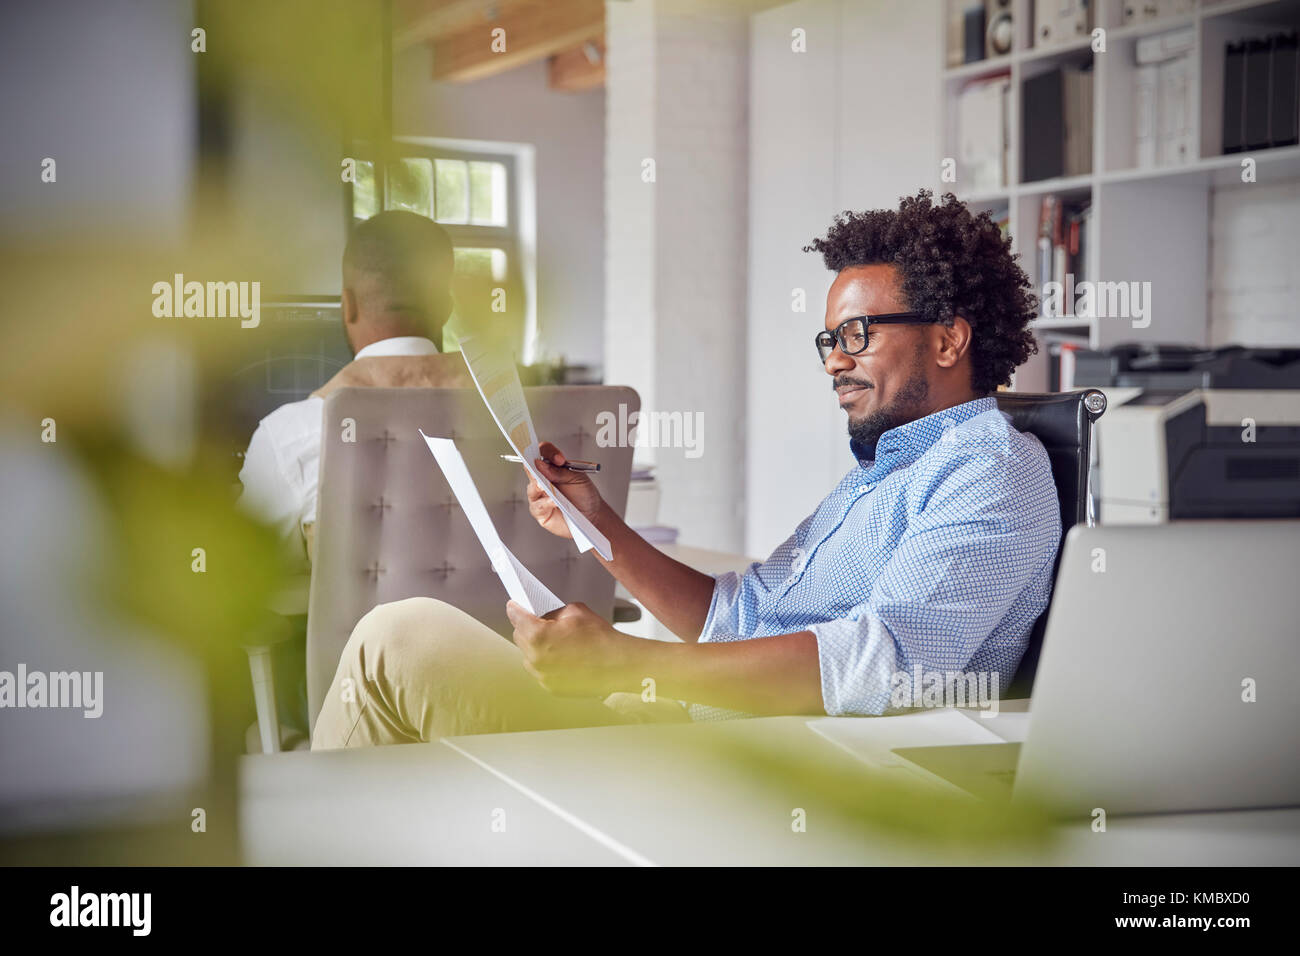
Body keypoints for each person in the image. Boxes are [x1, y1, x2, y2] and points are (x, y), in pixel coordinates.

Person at [311, 190, 1061, 748]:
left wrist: (623, 665)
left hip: (752, 765)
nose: (835, 358)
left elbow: (882, 663)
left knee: (395, 643)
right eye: (830, 337)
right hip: (680, 725)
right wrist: (598, 524)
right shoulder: (882, 473)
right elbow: (733, 619)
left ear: (949, 340)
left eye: (858, 334)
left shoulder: (992, 471)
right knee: (398, 647)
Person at [239, 211, 470, 563]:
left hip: (355, 622)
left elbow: (250, 575)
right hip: (501, 620)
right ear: (446, 309)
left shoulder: (289, 437)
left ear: (348, 306)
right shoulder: (515, 417)